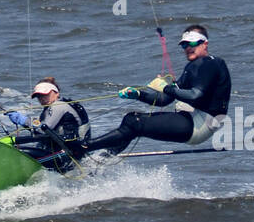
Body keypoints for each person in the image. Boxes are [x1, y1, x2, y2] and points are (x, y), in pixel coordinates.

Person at [86, 24, 231, 155]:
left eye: (192, 43)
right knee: (131, 120)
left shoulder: (212, 63)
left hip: (201, 124)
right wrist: (138, 94)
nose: (188, 48)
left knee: (134, 122)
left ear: (205, 44)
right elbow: (164, 101)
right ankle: (102, 160)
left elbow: (194, 96)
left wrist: (165, 87)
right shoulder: (193, 67)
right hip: (191, 119)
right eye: (184, 45)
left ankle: (84, 147)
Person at [7, 77, 90, 171]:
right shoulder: (56, 107)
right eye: (39, 96)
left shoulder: (58, 106)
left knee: (19, 153)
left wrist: (24, 120)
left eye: (45, 95)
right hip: (68, 154)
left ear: (56, 93)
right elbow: (41, 125)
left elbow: (43, 129)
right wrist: (23, 120)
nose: (42, 99)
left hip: (66, 156)